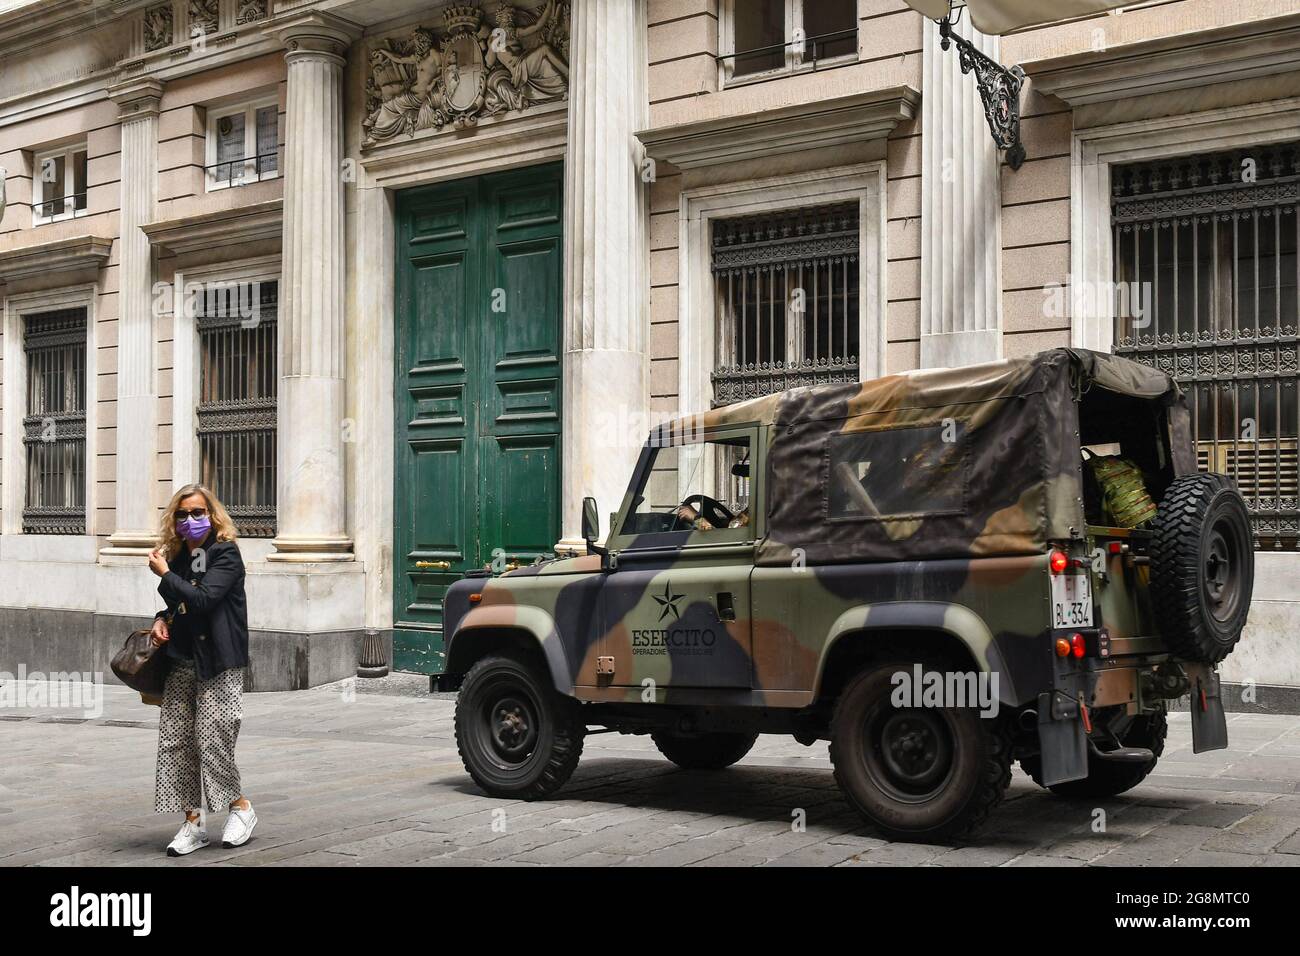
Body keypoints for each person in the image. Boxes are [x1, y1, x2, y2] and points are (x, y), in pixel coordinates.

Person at [147, 483, 255, 856]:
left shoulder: (225, 554)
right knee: (176, 742)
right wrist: (161, 618)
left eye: (198, 512)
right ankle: (192, 822)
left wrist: (163, 574)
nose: (190, 520)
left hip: (218, 661)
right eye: (182, 514)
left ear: (212, 515)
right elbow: (179, 603)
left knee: (213, 738)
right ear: (173, 520)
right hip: (181, 657)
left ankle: (240, 807)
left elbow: (205, 599)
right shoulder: (178, 556)